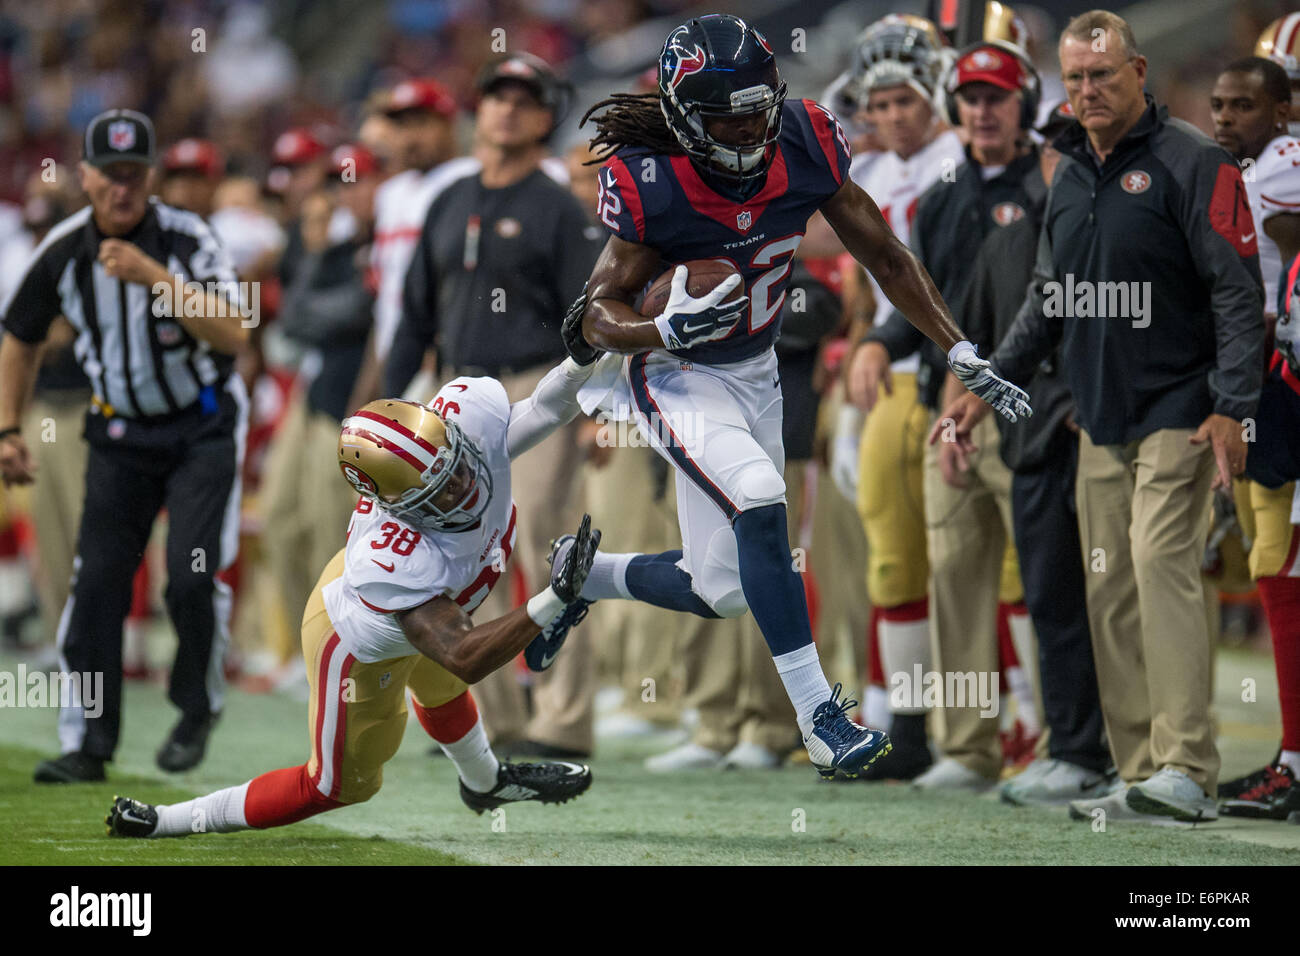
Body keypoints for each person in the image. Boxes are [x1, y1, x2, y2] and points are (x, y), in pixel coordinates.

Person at [564, 13, 1029, 779]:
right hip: (676, 374)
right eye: (729, 118)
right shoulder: (656, 182)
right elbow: (594, 315)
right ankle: (820, 719)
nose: (749, 131)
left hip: (756, 370)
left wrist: (960, 347)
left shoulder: (807, 140)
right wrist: (663, 332)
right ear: (685, 117)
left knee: (718, 589)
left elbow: (884, 253)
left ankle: (590, 574)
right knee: (758, 493)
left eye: (759, 110)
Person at [937, 10, 1266, 824]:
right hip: (1098, 415)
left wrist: (1232, 407)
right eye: (1076, 77)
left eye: (1102, 76)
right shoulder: (1072, 174)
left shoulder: (1194, 162)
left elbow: (1236, 292)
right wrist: (983, 386)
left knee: (1159, 565)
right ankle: (1140, 766)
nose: (1087, 90)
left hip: (1179, 408)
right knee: (1108, 586)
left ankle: (1189, 766)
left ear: (1140, 71)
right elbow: (1046, 304)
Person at [105, 347, 601, 838]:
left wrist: (579, 359)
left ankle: (485, 782)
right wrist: (553, 598)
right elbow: (464, 656)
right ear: (403, 507)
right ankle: (167, 821)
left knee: (440, 686)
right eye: (442, 490)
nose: (465, 485)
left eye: (458, 466)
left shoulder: (464, 428)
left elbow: (541, 408)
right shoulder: (398, 565)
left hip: (423, 607)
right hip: (353, 644)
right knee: (332, 785)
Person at [0, 109, 251, 781]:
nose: (121, 189)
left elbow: (234, 334)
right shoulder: (62, 248)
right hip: (117, 433)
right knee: (97, 590)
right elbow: (19, 336)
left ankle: (196, 706)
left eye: (133, 174)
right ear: (83, 176)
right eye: (108, 175)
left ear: (151, 176)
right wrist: (9, 428)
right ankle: (89, 742)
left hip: (201, 427)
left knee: (193, 577)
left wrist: (156, 279)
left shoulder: (185, 237)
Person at [388, 52, 602, 759]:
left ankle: (564, 720)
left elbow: (591, 314)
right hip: (456, 392)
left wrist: (596, 405)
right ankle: (495, 717)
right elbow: (414, 312)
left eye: (524, 98)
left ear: (545, 117)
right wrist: (387, 403)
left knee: (544, 542)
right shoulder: (449, 201)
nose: (506, 108)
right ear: (478, 111)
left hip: (534, 385)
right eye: (496, 96)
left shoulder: (557, 209)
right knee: (459, 557)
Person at [848, 37, 1047, 790]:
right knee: (954, 574)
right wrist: (874, 340)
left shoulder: (1049, 183)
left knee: (1031, 575)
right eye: (973, 98)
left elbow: (1046, 304)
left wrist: (990, 380)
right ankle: (966, 744)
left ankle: (1053, 733)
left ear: (1022, 101)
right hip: (946, 405)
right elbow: (920, 306)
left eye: (996, 96)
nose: (984, 110)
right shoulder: (941, 197)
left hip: (1028, 401)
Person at [957, 103, 1112, 806]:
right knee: (1051, 596)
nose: (1066, 158)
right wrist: (970, 399)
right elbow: (998, 335)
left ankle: (1144, 755)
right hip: (1033, 438)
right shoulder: (1010, 238)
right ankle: (1075, 748)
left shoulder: (1120, 224)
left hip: (1106, 430)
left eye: (1077, 146)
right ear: (1041, 157)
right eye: (1057, 147)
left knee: (1118, 601)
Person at [832, 13, 965, 782]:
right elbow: (856, 282)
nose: (888, 119)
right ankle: (904, 723)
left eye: (902, 102)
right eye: (876, 107)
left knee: (982, 559)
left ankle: (1007, 714)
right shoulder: (875, 174)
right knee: (893, 554)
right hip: (886, 372)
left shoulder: (961, 159)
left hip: (947, 367)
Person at [1209, 56, 1300, 820]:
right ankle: (1291, 755)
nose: (1225, 118)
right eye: (1219, 104)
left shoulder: (1281, 169)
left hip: (1281, 380)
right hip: (1266, 382)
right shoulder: (1256, 164)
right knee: (1272, 557)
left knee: (1279, 558)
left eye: (1244, 104)